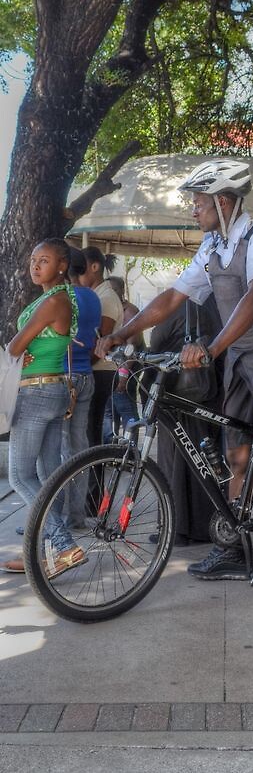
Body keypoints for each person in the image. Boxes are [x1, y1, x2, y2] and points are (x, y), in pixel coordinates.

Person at [97, 158, 253, 615]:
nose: (193, 209)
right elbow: (172, 298)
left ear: (223, 202)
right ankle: (235, 547)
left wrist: (212, 348)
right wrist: (122, 334)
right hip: (239, 358)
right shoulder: (212, 246)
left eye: (198, 201)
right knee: (236, 455)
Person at [0, 239, 85, 577]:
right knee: (47, 475)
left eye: (44, 260)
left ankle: (65, 546)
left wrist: (20, 346)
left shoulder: (54, 301)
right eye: (33, 259)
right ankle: (46, 555)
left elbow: (16, 346)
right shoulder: (60, 298)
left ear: (62, 265)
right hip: (54, 389)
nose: (35, 266)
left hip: (36, 393)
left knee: (20, 476)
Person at [149, 294, 223, 545]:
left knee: (178, 459)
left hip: (181, 391)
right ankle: (203, 525)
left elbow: (158, 339)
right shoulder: (218, 301)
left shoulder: (184, 302)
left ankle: (177, 526)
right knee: (202, 458)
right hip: (208, 389)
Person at [59, 247, 102, 528]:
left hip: (63, 375)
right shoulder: (93, 297)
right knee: (80, 450)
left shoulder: (61, 297)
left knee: (60, 451)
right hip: (86, 374)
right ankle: (75, 516)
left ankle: (53, 519)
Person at [78, 247, 124, 448]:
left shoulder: (105, 297)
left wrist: (80, 367)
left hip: (100, 371)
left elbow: (101, 343)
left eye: (81, 270)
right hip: (96, 371)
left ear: (95, 267)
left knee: (91, 430)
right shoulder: (96, 294)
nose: (77, 276)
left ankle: (94, 479)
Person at [103, 276, 144, 440]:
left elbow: (130, 349)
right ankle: (107, 451)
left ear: (122, 291)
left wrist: (123, 376)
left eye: (114, 290)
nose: (111, 293)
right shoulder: (115, 309)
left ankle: (130, 450)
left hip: (124, 371)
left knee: (125, 408)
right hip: (112, 370)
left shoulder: (130, 312)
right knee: (108, 412)